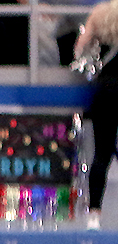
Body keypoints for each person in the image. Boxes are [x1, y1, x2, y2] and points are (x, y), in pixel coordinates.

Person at [77, 0, 118, 230]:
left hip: (107, 89)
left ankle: (94, 215)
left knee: (101, 154)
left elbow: (80, 47)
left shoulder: (100, 13)